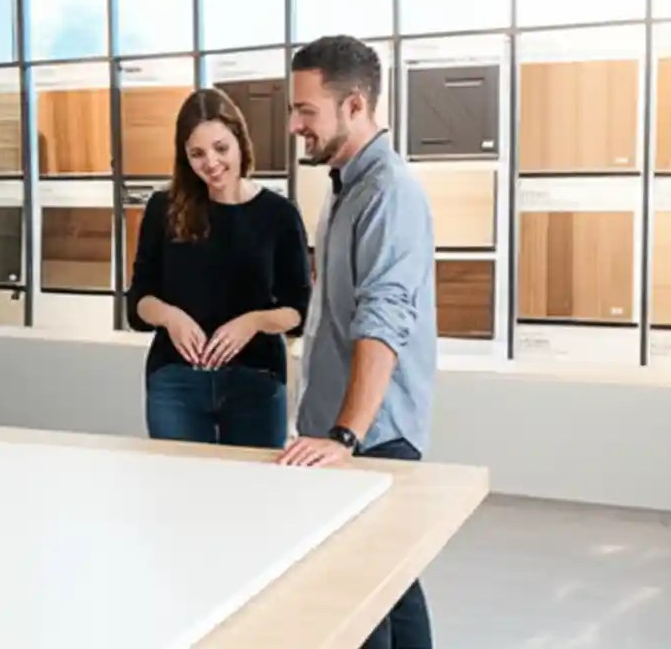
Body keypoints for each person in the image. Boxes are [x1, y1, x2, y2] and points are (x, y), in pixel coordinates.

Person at [277, 35, 438, 649]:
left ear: (355, 106)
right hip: (344, 431)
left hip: (373, 437)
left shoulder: (388, 192)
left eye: (306, 111)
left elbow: (384, 319)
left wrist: (345, 435)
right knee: (395, 587)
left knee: (359, 596)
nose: (295, 125)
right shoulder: (346, 185)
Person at [125, 87, 312, 449]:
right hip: (175, 382)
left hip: (256, 381)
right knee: (179, 492)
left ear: (241, 142)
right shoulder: (164, 208)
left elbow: (299, 311)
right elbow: (138, 302)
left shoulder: (279, 215)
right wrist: (170, 317)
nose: (210, 163)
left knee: (254, 497)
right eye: (197, 154)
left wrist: (252, 322)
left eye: (221, 148)